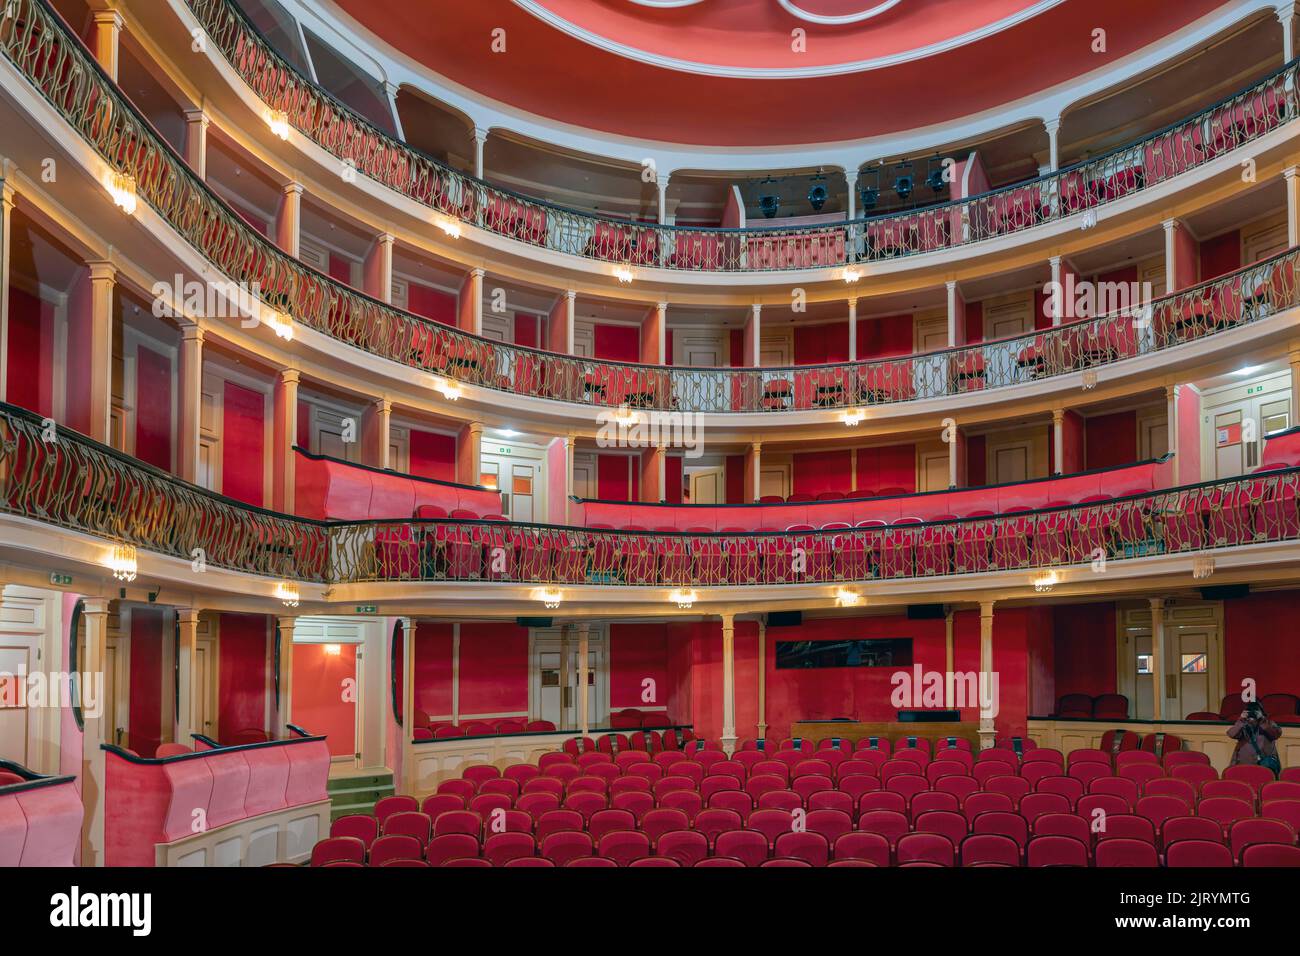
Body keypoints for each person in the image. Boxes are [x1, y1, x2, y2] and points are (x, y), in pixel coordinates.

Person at [1228, 701, 1282, 775]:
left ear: (1262, 712)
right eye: (1250, 711)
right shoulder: (1243, 724)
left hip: (1264, 764)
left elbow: (1276, 734)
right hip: (1243, 765)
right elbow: (1231, 734)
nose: (1252, 713)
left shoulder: (1268, 723)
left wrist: (1262, 720)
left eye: (1255, 711)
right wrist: (1241, 720)